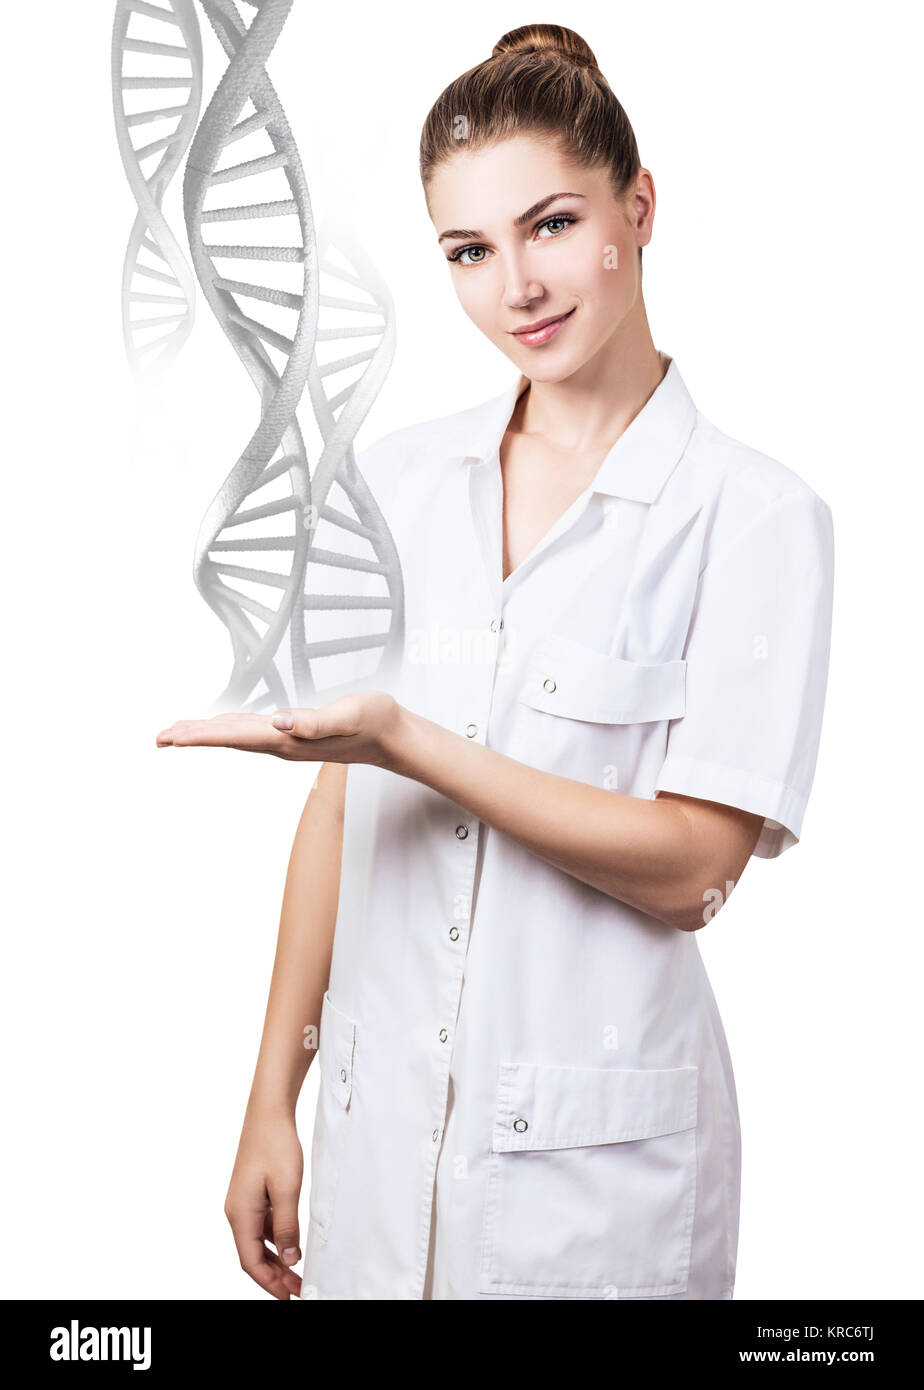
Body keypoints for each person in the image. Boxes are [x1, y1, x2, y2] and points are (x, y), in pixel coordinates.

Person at [156, 23, 835, 1300]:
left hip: (597, 1189)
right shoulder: (396, 487)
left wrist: (415, 744)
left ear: (639, 205)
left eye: (553, 224)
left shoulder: (753, 518)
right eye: (469, 251)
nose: (515, 284)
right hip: (376, 1141)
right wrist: (271, 1093)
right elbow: (341, 805)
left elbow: (697, 867)